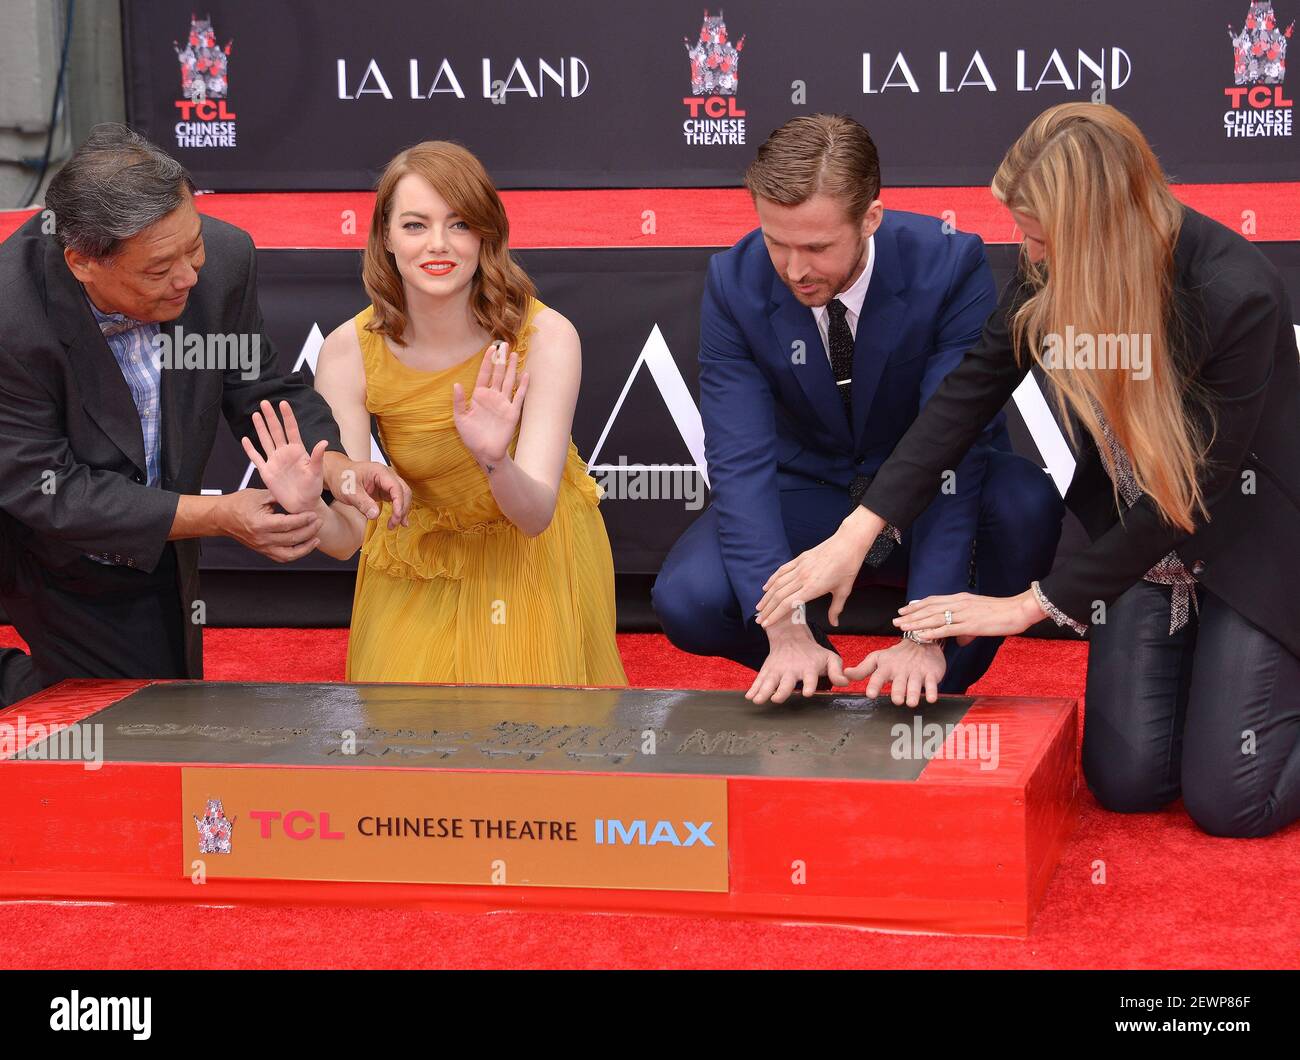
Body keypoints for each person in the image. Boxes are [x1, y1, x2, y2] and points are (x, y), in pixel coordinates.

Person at [759, 103, 1300, 839]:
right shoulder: (1051, 262)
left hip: (1240, 541)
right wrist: (858, 532)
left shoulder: (1237, 293)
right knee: (1128, 783)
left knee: (1233, 802)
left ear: (1101, 230)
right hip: (1137, 553)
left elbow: (1190, 493)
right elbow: (966, 395)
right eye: (1026, 233)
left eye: (1041, 239)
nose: (1028, 254)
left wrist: (1023, 607)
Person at [652, 114, 1063, 705]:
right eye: (776, 243)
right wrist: (784, 626)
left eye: (817, 247)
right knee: (688, 596)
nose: (795, 269)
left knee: (1025, 503)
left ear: (870, 218)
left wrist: (927, 634)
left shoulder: (948, 264)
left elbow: (953, 446)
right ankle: (812, 666)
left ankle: (936, 676)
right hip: (810, 491)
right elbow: (739, 461)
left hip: (926, 490)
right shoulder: (734, 281)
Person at [0, 124, 406, 707]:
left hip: (152, 542)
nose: (189, 275)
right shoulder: (13, 314)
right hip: (42, 533)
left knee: (157, 704)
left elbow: (259, 385)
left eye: (193, 246)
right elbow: (51, 490)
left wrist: (339, 471)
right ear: (83, 263)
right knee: (107, 723)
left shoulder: (222, 259)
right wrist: (219, 515)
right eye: (161, 268)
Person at [243, 141, 626, 686]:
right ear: (387, 238)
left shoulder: (545, 338)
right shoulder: (348, 352)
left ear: (485, 236)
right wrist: (309, 510)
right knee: (403, 745)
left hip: (529, 552)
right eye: (416, 225)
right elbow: (350, 535)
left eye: (460, 224)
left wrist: (494, 459)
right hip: (418, 553)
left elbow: (535, 515)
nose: (439, 245)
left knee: (529, 746)